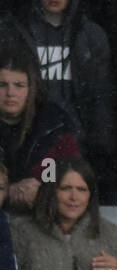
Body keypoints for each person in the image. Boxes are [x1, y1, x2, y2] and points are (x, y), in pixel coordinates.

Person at [2, 0, 114, 174]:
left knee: (62, 193)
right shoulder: (14, 31)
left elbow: (101, 100)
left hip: (77, 143)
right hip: (26, 142)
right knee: (34, 189)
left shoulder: (91, 35)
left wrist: (101, 150)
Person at [0, 38, 80, 212]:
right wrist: (6, 192)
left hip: (41, 221)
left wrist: (43, 188)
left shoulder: (54, 125)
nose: (10, 93)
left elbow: (71, 178)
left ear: (32, 87)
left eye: (19, 85)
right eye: (2, 85)